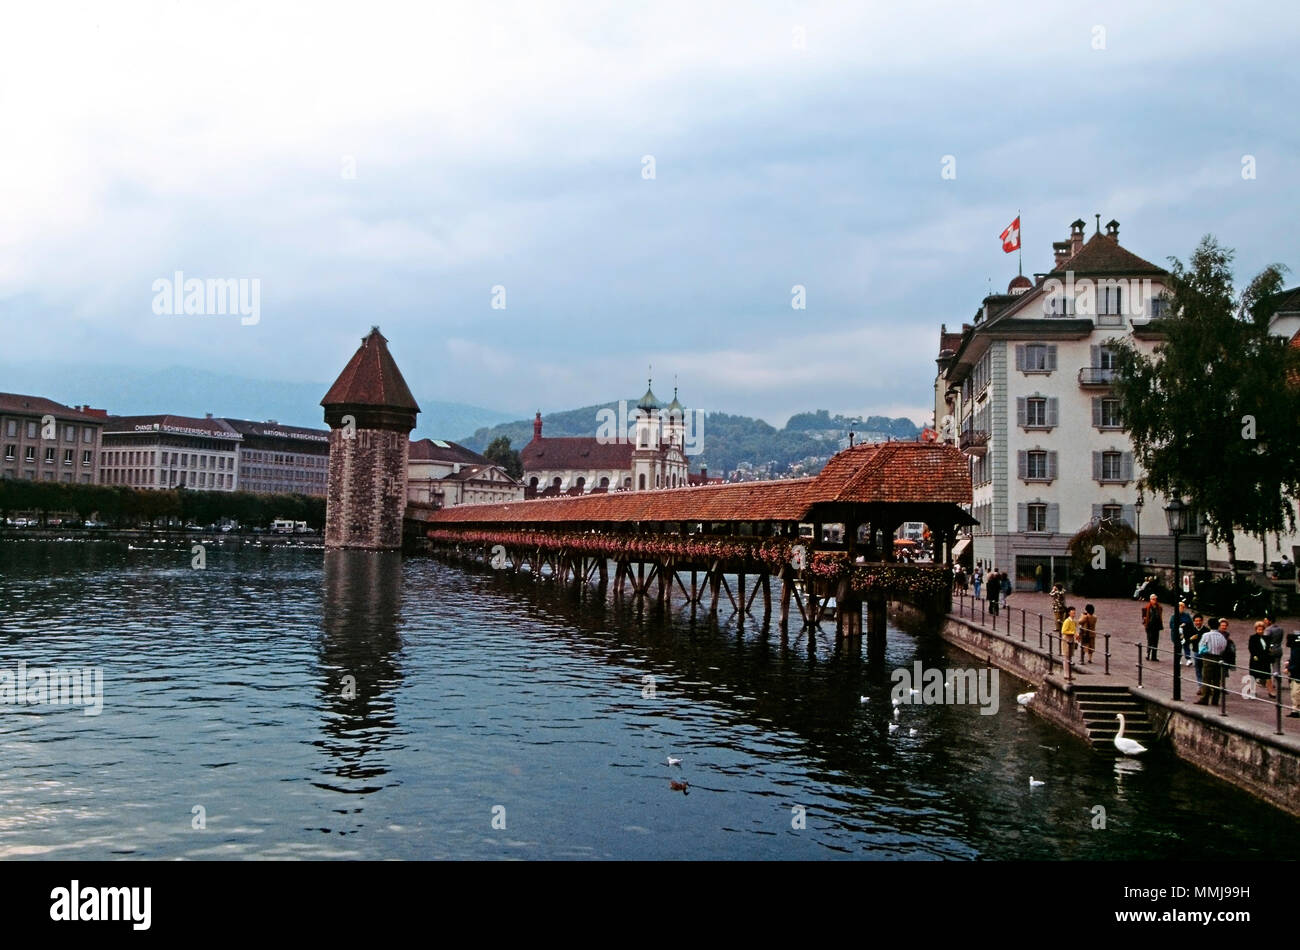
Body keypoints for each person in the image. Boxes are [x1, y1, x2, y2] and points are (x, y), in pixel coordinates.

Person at [1196, 619, 1229, 705]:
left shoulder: (1206, 635)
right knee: (1216, 680)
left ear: (1209, 625)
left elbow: (1201, 646)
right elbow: (1224, 647)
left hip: (1208, 657)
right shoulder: (1221, 636)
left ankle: (1204, 698)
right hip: (1218, 658)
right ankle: (1215, 700)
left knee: (1206, 678)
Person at [1248, 622, 1273, 697]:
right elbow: (1251, 648)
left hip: (1265, 659)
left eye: (1261, 629)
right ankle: (1252, 691)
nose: (1260, 631)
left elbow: (1269, 646)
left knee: (1268, 676)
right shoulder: (1253, 637)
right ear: (1256, 630)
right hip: (1256, 660)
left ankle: (1270, 691)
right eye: (1258, 629)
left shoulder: (1267, 638)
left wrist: (1270, 650)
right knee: (1254, 675)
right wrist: (1255, 656)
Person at [1264, 613, 1285, 694]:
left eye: (1266, 620)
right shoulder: (1280, 629)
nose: (1265, 621)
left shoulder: (1268, 630)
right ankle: (1278, 683)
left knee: (1265, 666)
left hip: (1271, 650)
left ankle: (1265, 682)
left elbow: (1265, 640)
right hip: (1278, 649)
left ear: (1270, 621)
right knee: (1277, 667)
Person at [1141, 594, 1163, 662]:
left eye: (1155, 599)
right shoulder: (1146, 608)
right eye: (1153, 599)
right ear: (1150, 600)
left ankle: (1154, 656)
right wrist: (1145, 624)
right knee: (1150, 641)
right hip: (1150, 626)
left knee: (1156, 642)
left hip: (1156, 626)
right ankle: (1148, 654)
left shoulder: (1159, 607)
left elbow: (1160, 616)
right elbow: (1144, 618)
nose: (1154, 601)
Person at [1185, 613, 1207, 685]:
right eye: (1196, 621)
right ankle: (1200, 686)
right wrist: (1191, 639)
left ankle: (1206, 687)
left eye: (1199, 621)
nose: (1198, 622)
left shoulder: (1206, 630)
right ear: (1194, 622)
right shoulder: (1192, 630)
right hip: (1196, 652)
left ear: (1202, 621)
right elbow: (1186, 642)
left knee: (1205, 670)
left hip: (1205, 653)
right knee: (1198, 669)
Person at [1170, 601, 1191, 666]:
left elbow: (1190, 623)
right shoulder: (1174, 616)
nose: (1181, 609)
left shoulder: (1187, 615)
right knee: (1178, 647)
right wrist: (1179, 626)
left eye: (1182, 607)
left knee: (1186, 646)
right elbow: (1171, 625)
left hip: (1185, 634)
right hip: (1177, 634)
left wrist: (1186, 624)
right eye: (1180, 607)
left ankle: (1188, 659)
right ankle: (1178, 659)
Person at [1285, 632, 1300, 718]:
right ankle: (1295, 710)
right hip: (1295, 674)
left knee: (1295, 692)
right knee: (1295, 692)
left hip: (1297, 674)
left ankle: (1296, 711)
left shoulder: (1296, 649)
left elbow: (1297, 661)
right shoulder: (1296, 648)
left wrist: (1289, 668)